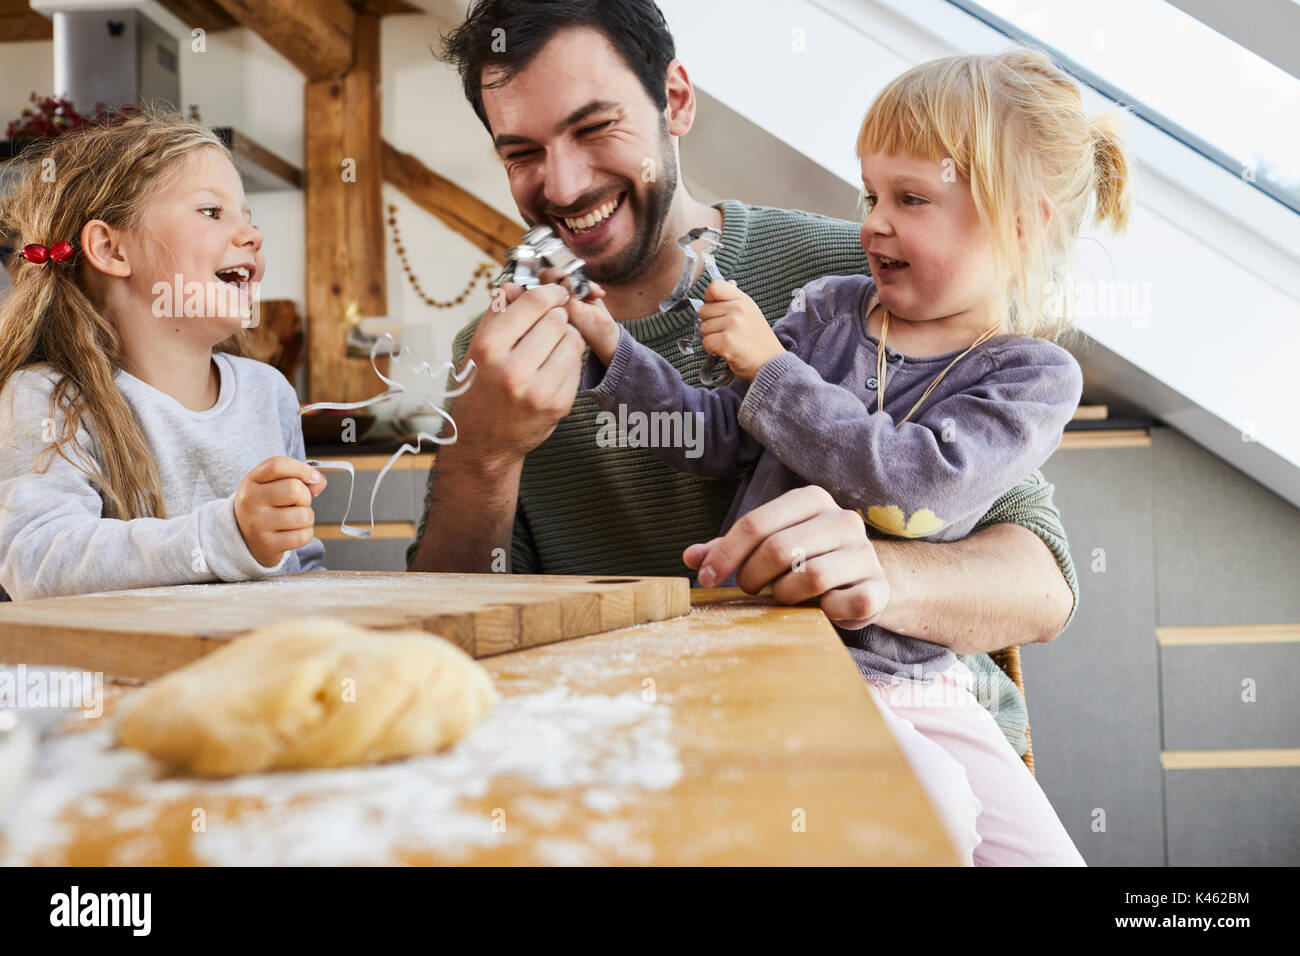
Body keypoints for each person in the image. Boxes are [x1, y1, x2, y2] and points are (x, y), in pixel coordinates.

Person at [408, 0, 1079, 759]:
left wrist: (874, 572)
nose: (560, 186)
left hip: (911, 733)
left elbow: (1039, 587)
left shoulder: (867, 282)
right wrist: (483, 458)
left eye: (596, 129)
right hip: (649, 756)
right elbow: (454, 644)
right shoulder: (493, 356)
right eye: (521, 152)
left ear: (677, 102)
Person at [562, 48, 1132, 864]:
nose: (873, 221)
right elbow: (718, 435)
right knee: (927, 810)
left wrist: (770, 368)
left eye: (911, 198)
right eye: (870, 193)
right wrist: (611, 351)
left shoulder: (1030, 376)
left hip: (929, 682)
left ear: (1022, 222)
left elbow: (916, 488)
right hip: (782, 660)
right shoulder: (828, 310)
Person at [0, 113, 326, 601]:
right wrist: (225, 535)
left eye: (249, 219)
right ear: (110, 249)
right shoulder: (48, 398)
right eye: (213, 212)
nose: (252, 236)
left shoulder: (268, 393)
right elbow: (39, 559)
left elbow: (300, 566)